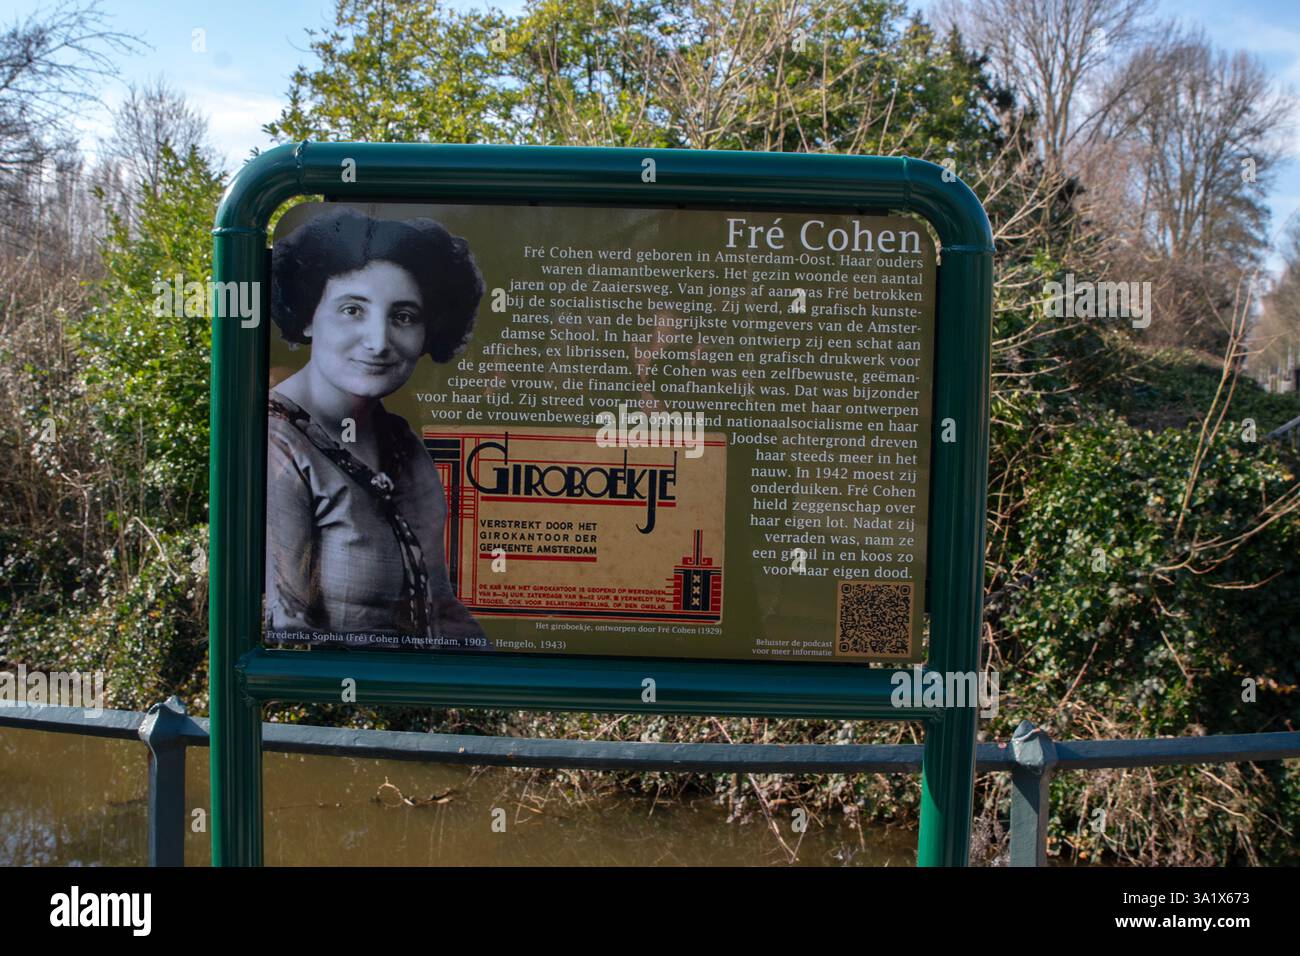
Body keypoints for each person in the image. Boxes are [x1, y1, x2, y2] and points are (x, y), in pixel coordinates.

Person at [264, 206, 488, 650]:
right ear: (309, 315)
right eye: (352, 309)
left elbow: (441, 609)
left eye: (403, 316)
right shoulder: (275, 445)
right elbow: (287, 636)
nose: (379, 341)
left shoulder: (403, 443)